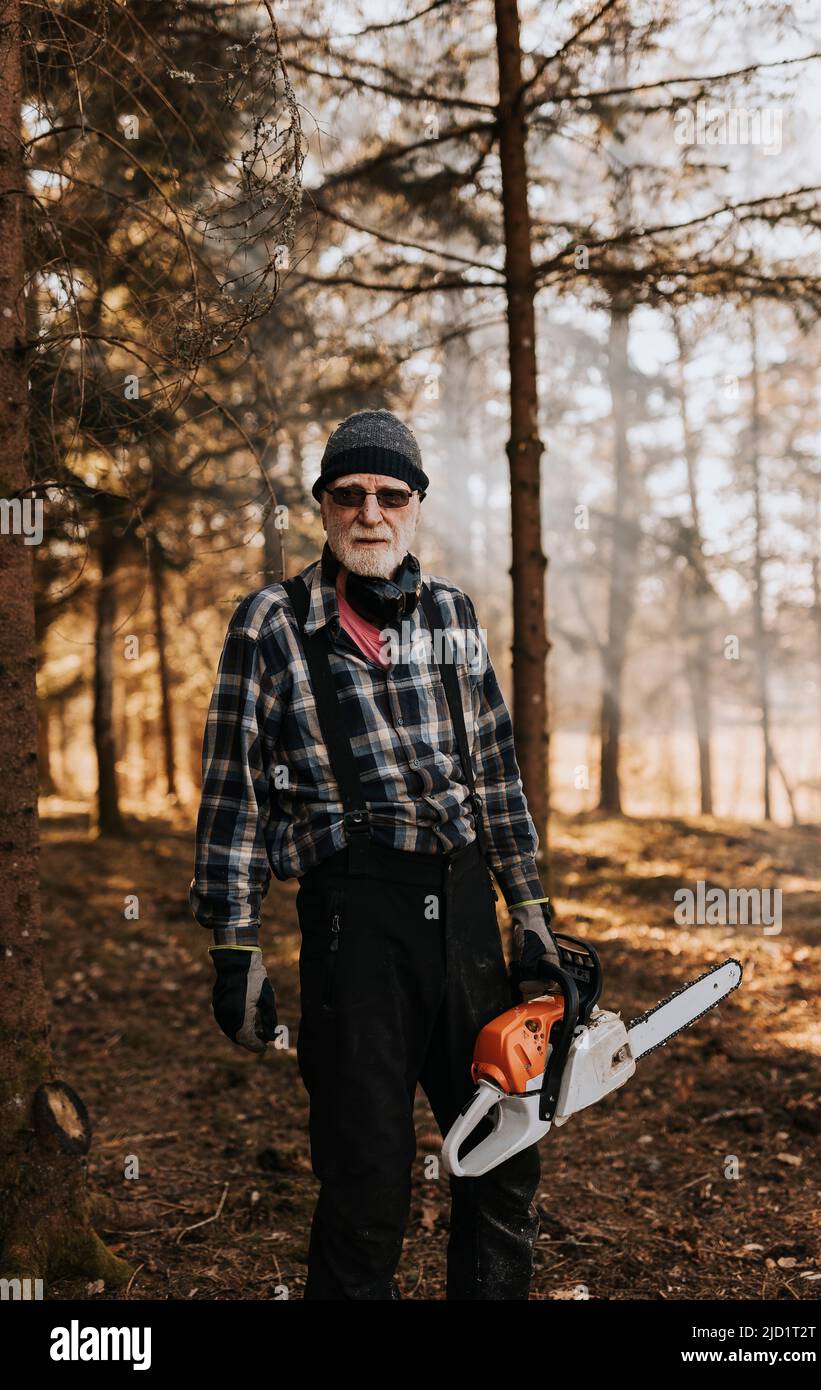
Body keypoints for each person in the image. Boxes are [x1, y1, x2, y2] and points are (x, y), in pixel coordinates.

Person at [190, 407, 560, 1300]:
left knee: (505, 1149)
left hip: (465, 909)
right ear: (322, 507)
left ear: (416, 507)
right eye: (348, 494)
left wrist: (533, 912)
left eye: (390, 495)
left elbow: (498, 776)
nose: (370, 513)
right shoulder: (270, 625)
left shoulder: (454, 615)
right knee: (366, 1172)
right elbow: (232, 794)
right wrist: (235, 946)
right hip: (355, 923)